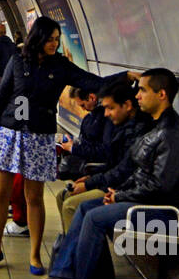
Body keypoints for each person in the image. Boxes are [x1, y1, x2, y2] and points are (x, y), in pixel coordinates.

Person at [28, 68, 179, 279]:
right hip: (144, 201)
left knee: (95, 217)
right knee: (85, 209)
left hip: (163, 211)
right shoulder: (155, 127)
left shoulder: (171, 133)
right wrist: (118, 192)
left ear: (162, 95)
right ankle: (62, 276)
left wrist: (120, 195)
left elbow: (160, 186)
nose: (138, 96)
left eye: (144, 91)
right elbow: (137, 170)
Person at [0, 16, 116, 275]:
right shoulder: (17, 61)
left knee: (34, 197)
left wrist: (123, 78)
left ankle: (34, 256)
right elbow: (1, 97)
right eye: (50, 39)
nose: (54, 44)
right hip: (10, 131)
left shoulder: (61, 65)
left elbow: (92, 81)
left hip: (39, 135)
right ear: (38, 39)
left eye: (57, 40)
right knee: (0, 196)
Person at [56, 79, 152, 232]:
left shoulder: (140, 132)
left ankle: (75, 252)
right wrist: (91, 177)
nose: (106, 113)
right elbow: (116, 163)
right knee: (63, 196)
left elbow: (123, 170)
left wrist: (92, 183)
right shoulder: (125, 127)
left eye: (110, 108)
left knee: (71, 205)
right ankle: (72, 249)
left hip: (122, 189)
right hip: (115, 183)